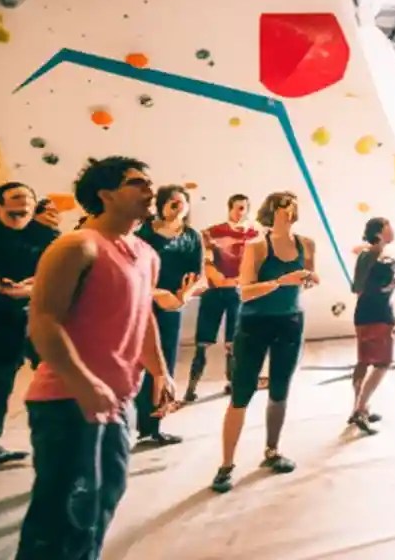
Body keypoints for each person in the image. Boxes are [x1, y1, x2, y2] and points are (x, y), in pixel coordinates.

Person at [16, 157, 174, 559]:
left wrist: (160, 371)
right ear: (104, 195)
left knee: (102, 500)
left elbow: (144, 315)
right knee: (60, 517)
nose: (149, 190)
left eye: (149, 182)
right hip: (66, 404)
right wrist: (85, 383)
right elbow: (43, 323)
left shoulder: (145, 253)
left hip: (116, 403)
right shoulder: (77, 246)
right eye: (137, 183)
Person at [211, 191, 317, 493]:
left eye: (294, 208)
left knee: (280, 390)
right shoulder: (258, 245)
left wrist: (308, 279)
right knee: (241, 393)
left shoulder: (306, 244)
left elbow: (305, 280)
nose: (290, 213)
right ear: (272, 212)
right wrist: (283, 281)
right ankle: (226, 464)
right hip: (255, 324)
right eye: (285, 208)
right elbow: (245, 292)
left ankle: (272, 451)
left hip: (291, 321)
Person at [0, 182, 59, 464]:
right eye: (16, 198)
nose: (23, 204)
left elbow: (60, 272)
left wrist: (33, 286)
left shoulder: (48, 236)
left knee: (55, 377)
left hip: (38, 316)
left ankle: (58, 444)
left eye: (28, 198)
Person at [132, 185, 203, 445]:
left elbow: (197, 274)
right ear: (160, 205)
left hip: (171, 307)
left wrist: (183, 297)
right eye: (171, 202)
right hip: (140, 302)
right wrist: (156, 292)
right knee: (134, 364)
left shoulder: (192, 236)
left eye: (181, 202)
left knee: (163, 365)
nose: (177, 206)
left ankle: (151, 426)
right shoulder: (143, 233)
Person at [185, 194, 258, 402]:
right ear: (229, 208)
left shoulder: (254, 236)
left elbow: (253, 266)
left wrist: (235, 280)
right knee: (202, 343)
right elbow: (207, 258)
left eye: (244, 208)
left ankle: (232, 383)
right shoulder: (213, 232)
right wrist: (213, 275)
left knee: (233, 343)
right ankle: (191, 387)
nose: (240, 212)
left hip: (237, 291)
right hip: (215, 290)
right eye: (237, 208)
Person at [348, 217, 395, 434]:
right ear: (379, 233)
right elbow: (385, 287)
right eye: (388, 227)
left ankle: (357, 406)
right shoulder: (385, 259)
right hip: (378, 314)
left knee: (363, 361)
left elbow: (357, 287)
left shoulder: (364, 256)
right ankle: (361, 409)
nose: (392, 230)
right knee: (383, 363)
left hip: (362, 313)